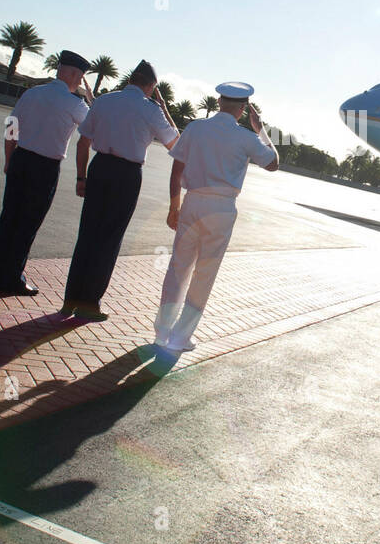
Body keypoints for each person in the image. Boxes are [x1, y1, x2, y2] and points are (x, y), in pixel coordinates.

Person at [153, 82, 279, 353]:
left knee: (178, 268)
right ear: (244, 109)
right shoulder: (246, 137)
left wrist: (174, 207)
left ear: (219, 102)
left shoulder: (197, 128)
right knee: (205, 274)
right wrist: (261, 129)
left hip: (192, 201)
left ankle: (162, 332)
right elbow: (273, 164)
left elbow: (177, 170)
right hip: (221, 208)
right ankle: (180, 337)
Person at [62, 60, 178, 321]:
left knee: (88, 234)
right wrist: (165, 110)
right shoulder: (151, 109)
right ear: (151, 86)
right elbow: (176, 146)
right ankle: (89, 303)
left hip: (99, 167)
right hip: (126, 174)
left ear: (130, 80)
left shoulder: (104, 101)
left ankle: (70, 300)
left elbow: (83, 143)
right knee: (109, 238)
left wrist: (81, 177)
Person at [0, 50, 93, 296]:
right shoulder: (75, 104)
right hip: (45, 167)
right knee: (28, 223)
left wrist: (8, 159)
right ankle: (12, 278)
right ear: (74, 74)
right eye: (80, 78)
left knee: (8, 218)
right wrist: (90, 100)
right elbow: (94, 128)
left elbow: (11, 125)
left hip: (20, 159)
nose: (79, 83)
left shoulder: (32, 93)